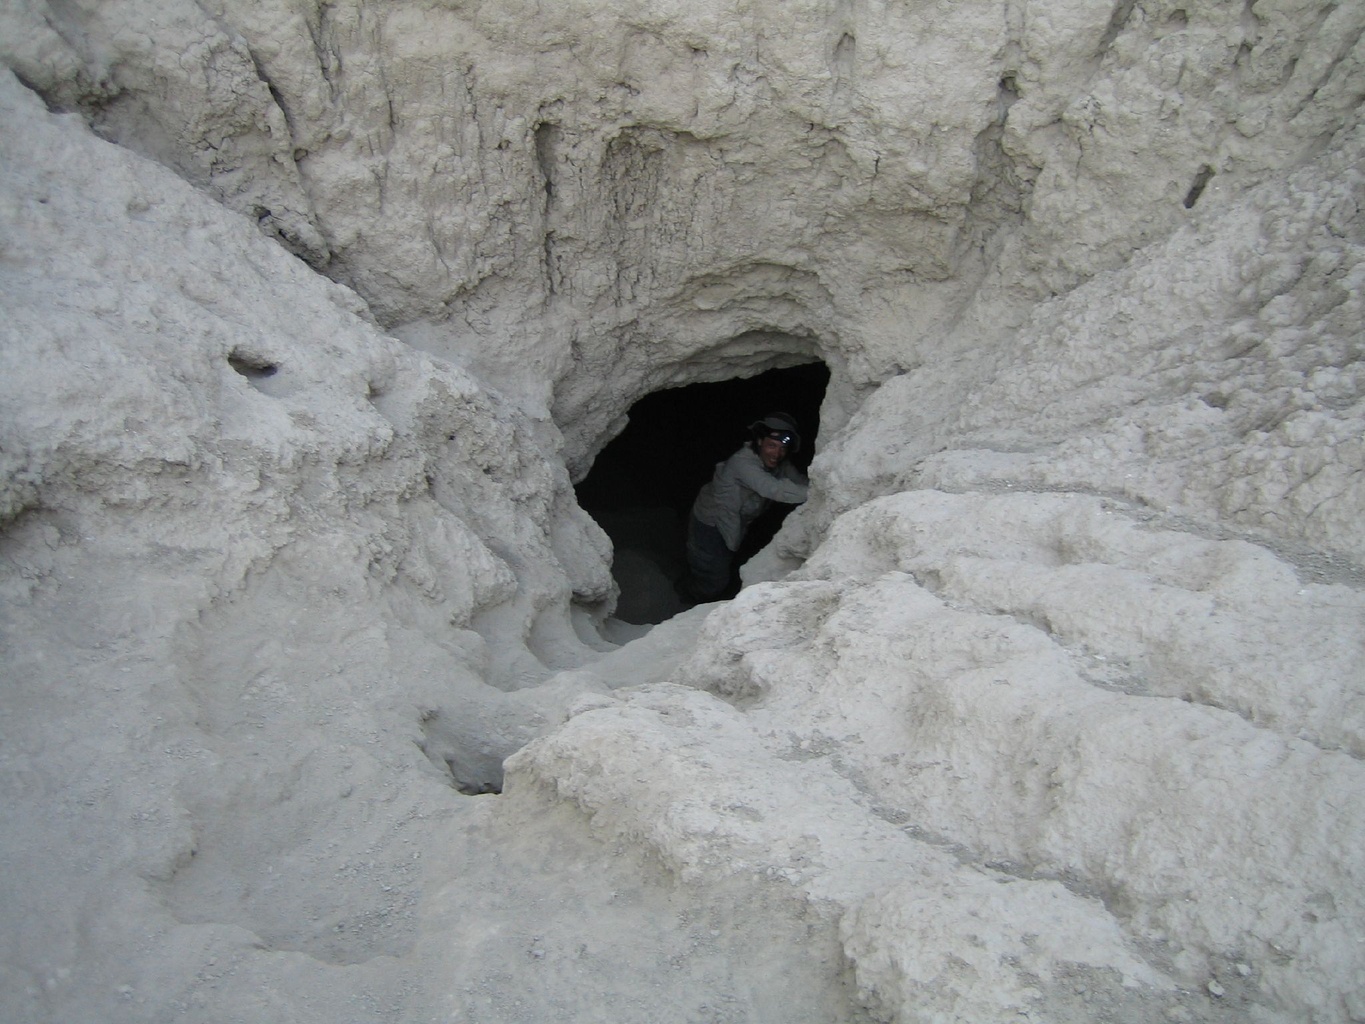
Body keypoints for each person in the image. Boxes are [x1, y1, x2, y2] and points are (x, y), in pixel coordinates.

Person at [678, 412, 810, 603]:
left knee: (724, 567)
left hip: (735, 524)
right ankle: (687, 598)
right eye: (771, 445)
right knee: (713, 579)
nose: (777, 453)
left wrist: (819, 485)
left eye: (783, 448)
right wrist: (822, 492)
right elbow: (774, 489)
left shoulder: (780, 463)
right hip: (710, 524)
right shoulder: (742, 463)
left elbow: (800, 481)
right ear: (759, 441)